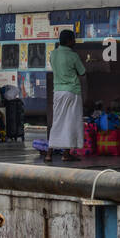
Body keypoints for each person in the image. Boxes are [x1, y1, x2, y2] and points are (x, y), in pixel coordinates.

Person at [46, 29, 87, 163]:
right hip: (72, 91)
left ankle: (49, 154)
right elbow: (82, 72)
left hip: (57, 91)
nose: (74, 42)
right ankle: (66, 154)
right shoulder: (73, 55)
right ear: (69, 41)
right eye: (73, 39)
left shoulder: (52, 54)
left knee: (57, 121)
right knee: (71, 122)